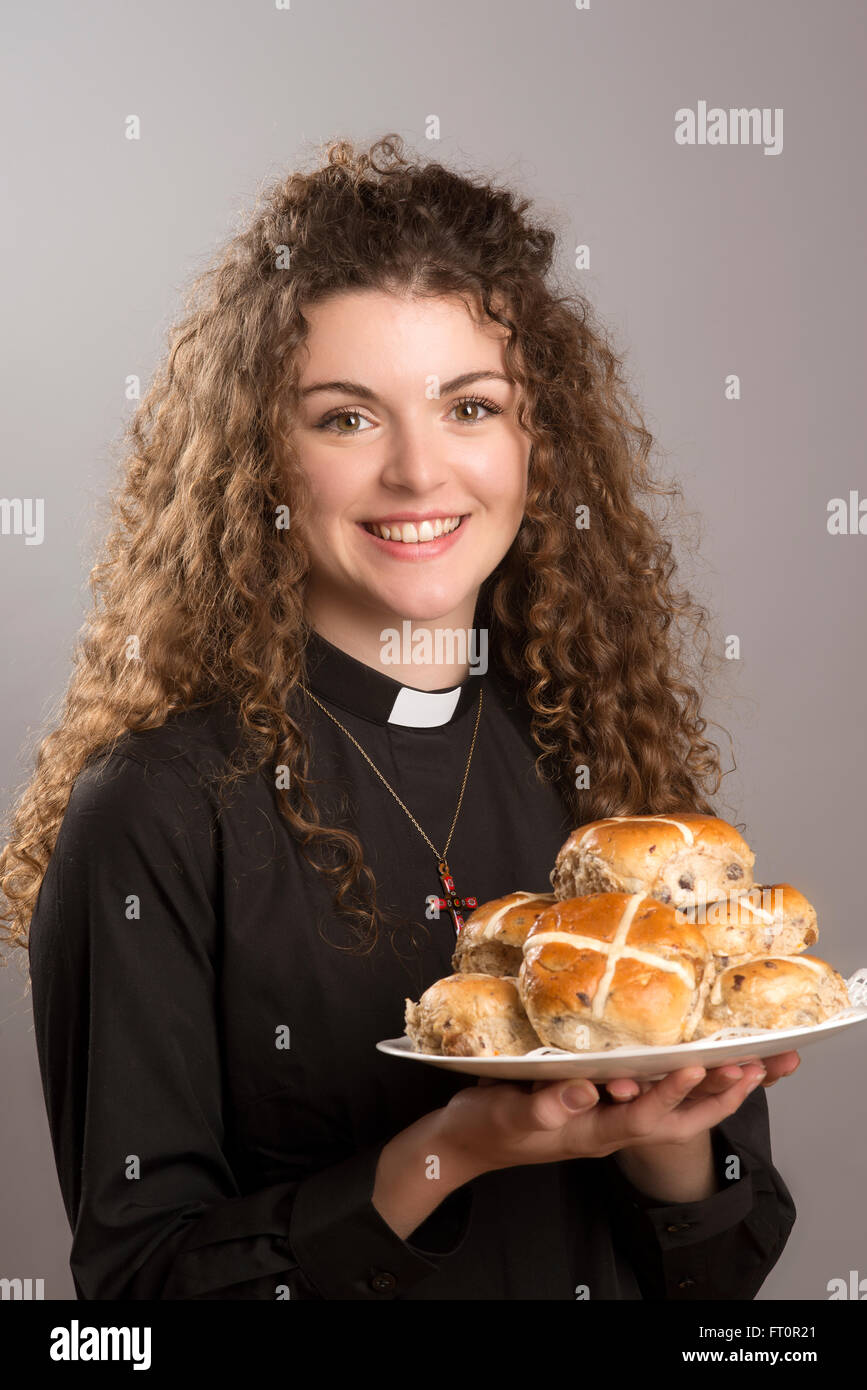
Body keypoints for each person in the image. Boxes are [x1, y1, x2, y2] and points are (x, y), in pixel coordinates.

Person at [1, 133, 798, 1301]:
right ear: (261, 460)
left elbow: (720, 1275)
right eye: (347, 418)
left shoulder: (610, 773)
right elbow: (139, 1296)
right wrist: (455, 1149)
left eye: (471, 406)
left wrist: (669, 1121)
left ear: (539, 442)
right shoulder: (158, 810)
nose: (421, 473)